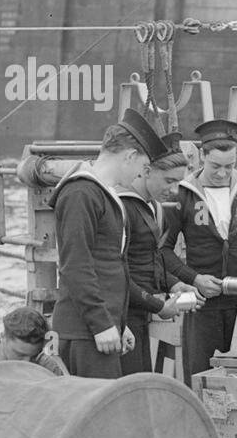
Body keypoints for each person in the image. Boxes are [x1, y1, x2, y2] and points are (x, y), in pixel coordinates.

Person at [51, 110, 168, 378]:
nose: (142, 174)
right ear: (129, 156)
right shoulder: (81, 193)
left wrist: (118, 322)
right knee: (95, 415)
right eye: (144, 166)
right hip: (84, 333)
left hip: (97, 328)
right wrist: (101, 324)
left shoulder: (103, 194)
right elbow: (76, 266)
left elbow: (107, 265)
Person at [161, 119, 237, 385]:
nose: (223, 173)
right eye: (215, 166)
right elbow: (163, 250)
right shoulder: (182, 194)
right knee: (199, 378)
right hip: (202, 306)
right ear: (201, 156)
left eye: (230, 166)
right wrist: (192, 278)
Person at [117, 131, 202, 375]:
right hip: (124, 314)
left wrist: (174, 284)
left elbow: (150, 259)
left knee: (144, 382)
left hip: (143, 309)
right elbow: (115, 272)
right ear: (146, 170)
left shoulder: (154, 207)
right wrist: (157, 305)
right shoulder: (122, 206)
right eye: (169, 181)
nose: (175, 190)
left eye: (179, 182)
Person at [0, 306, 68, 380]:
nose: (27, 363)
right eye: (19, 355)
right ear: (3, 337)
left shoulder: (50, 368)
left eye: (34, 356)